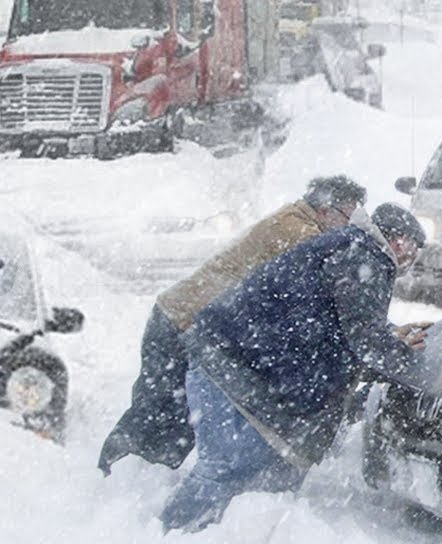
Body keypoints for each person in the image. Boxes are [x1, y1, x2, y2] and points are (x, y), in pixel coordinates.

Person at [159, 203, 442, 533]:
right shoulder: (365, 256)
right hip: (232, 368)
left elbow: (346, 323)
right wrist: (435, 376)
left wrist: (391, 338)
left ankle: (227, 533)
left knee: (266, 475)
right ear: (398, 241)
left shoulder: (351, 247)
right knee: (229, 466)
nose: (414, 258)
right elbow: (364, 339)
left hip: (246, 366)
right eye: (416, 247)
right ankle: (167, 534)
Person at [96, 175, 370, 474]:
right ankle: (116, 476)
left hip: (190, 322)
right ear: (325, 210)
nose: (349, 227)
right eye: (348, 216)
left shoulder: (297, 222)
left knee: (172, 415)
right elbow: (336, 287)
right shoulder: (296, 231)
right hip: (180, 322)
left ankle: (130, 477)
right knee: (159, 413)